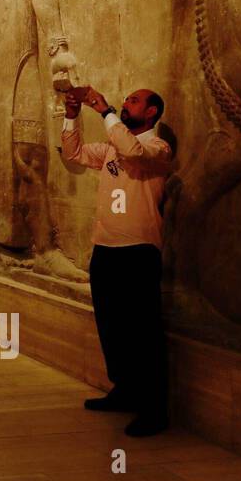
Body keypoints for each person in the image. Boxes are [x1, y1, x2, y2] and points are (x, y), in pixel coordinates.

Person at [62, 86, 172, 437]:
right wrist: (71, 114)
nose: (127, 104)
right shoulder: (111, 147)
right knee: (113, 328)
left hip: (139, 250)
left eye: (135, 101)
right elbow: (73, 152)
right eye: (125, 100)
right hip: (105, 249)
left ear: (152, 113)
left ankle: (154, 410)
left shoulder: (157, 148)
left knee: (144, 333)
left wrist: (104, 109)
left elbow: (132, 150)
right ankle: (124, 390)